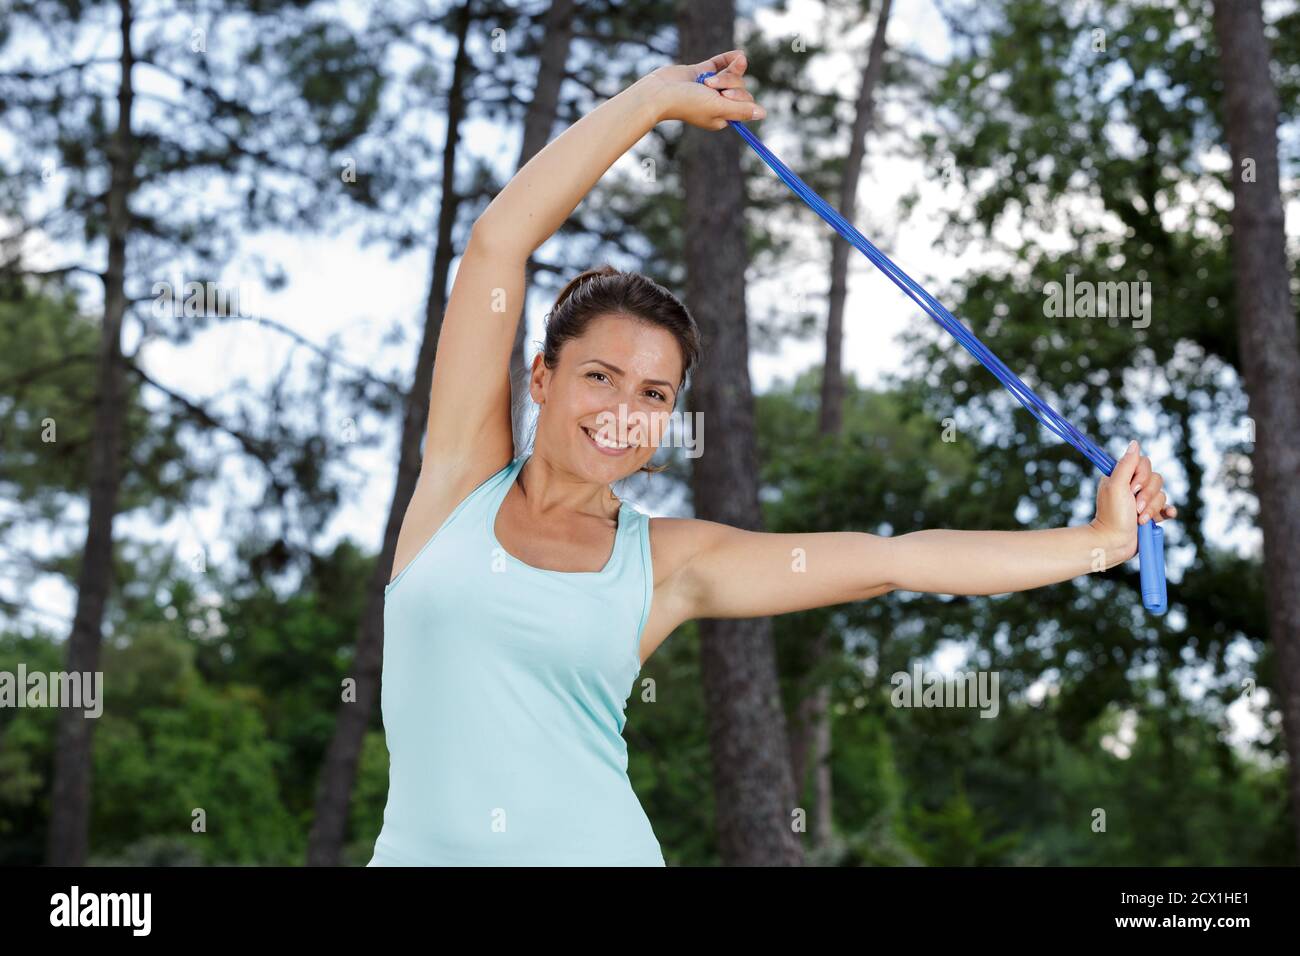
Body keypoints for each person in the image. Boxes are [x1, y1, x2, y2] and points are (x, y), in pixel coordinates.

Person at [366, 50, 1176, 867]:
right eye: (600, 377)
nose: (622, 413)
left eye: (653, 394)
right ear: (542, 377)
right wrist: (650, 102)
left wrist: (1101, 544)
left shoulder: (664, 565)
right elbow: (497, 244)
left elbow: (892, 561)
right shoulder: (458, 484)